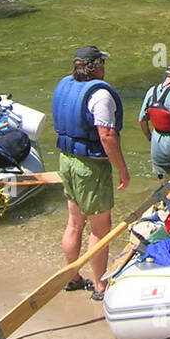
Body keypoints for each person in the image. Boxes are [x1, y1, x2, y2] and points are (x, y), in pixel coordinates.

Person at [52, 46, 131, 298]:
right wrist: (122, 169)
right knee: (100, 228)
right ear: (96, 66)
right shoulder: (100, 96)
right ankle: (100, 286)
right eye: (102, 64)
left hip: (66, 159)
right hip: (90, 167)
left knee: (75, 222)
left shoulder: (64, 85)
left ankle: (72, 276)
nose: (104, 69)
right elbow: (106, 136)